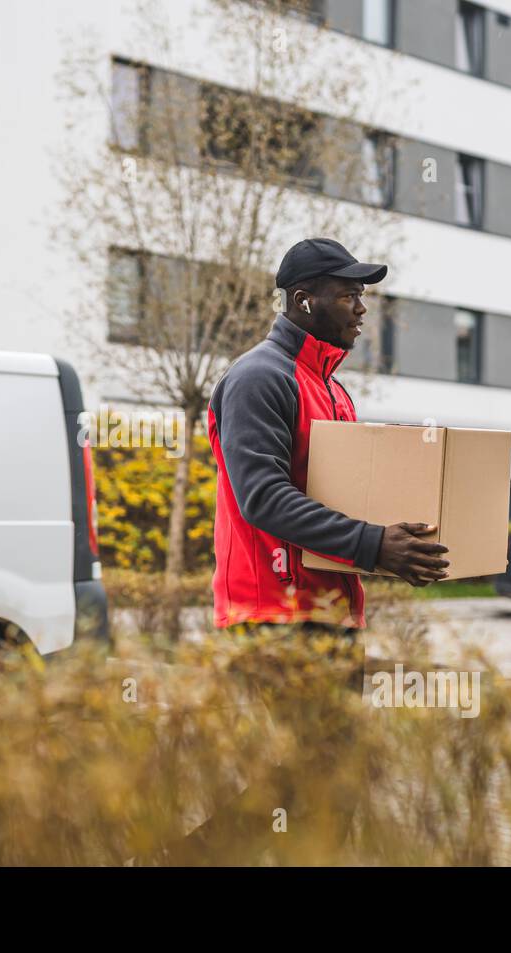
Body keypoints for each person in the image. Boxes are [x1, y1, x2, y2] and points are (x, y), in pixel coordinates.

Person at [156, 238, 451, 864]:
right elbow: (263, 497)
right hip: (273, 613)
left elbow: (336, 501)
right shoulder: (260, 377)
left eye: (362, 295)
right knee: (323, 776)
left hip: (326, 611)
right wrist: (375, 546)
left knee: (329, 782)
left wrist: (402, 547)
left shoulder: (331, 390)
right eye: (348, 295)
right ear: (303, 299)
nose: (361, 309)